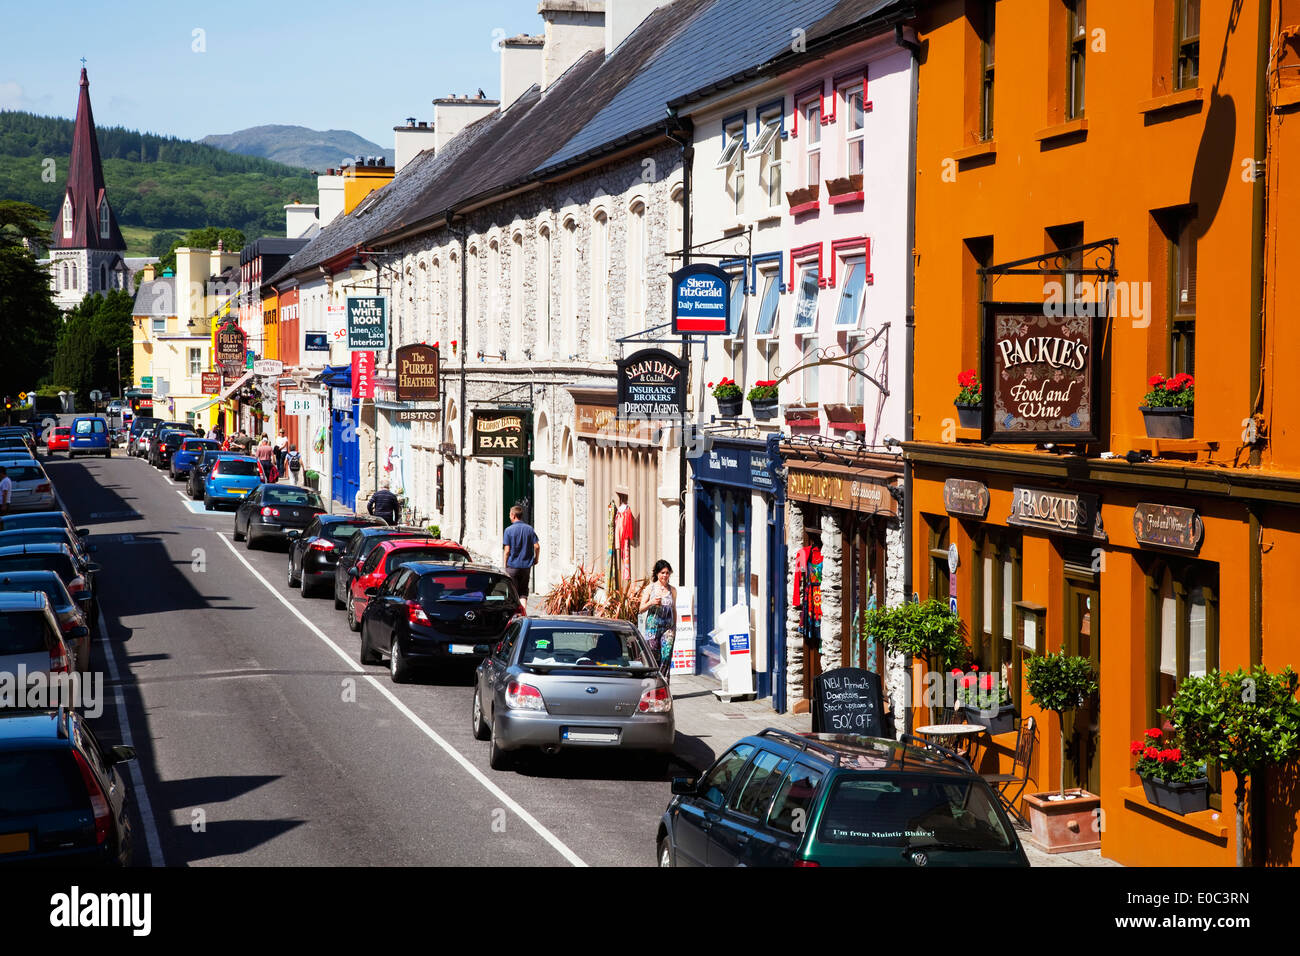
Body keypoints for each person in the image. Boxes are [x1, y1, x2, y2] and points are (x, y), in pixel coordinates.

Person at [639, 560, 677, 681]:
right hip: (653, 628)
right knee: (654, 656)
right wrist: (651, 602)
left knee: (666, 655)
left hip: (668, 628)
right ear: (657, 573)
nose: (665, 575)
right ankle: (654, 683)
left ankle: (663, 682)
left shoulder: (672, 590)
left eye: (667, 573)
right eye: (662, 573)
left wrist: (674, 627)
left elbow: (674, 609)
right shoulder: (650, 588)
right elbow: (641, 609)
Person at [502, 505, 539, 604]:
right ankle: (523, 611)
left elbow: (507, 551)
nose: (509, 516)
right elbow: (537, 546)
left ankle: (515, 611)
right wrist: (536, 559)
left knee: (512, 593)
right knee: (523, 592)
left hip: (512, 566)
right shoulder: (530, 529)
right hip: (526, 566)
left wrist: (505, 564)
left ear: (513, 515)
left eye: (510, 515)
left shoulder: (508, 530)